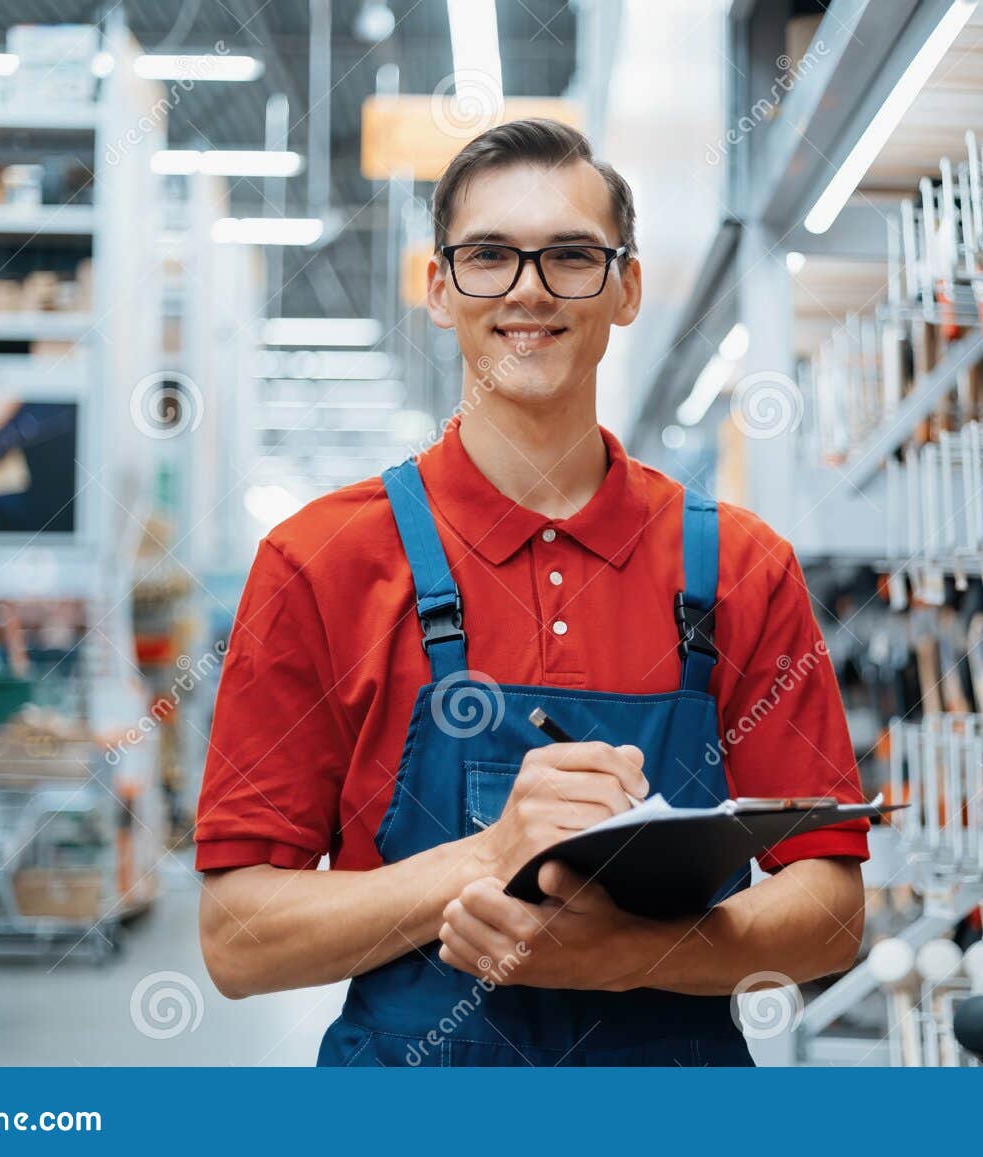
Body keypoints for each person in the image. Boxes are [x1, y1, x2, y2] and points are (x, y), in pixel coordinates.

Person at [196, 118, 869, 1067]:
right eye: (488, 256)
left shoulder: (740, 567)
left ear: (627, 287)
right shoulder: (321, 562)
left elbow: (832, 912)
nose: (528, 289)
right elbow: (237, 939)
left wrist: (629, 956)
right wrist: (485, 855)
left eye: (572, 256)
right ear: (439, 287)